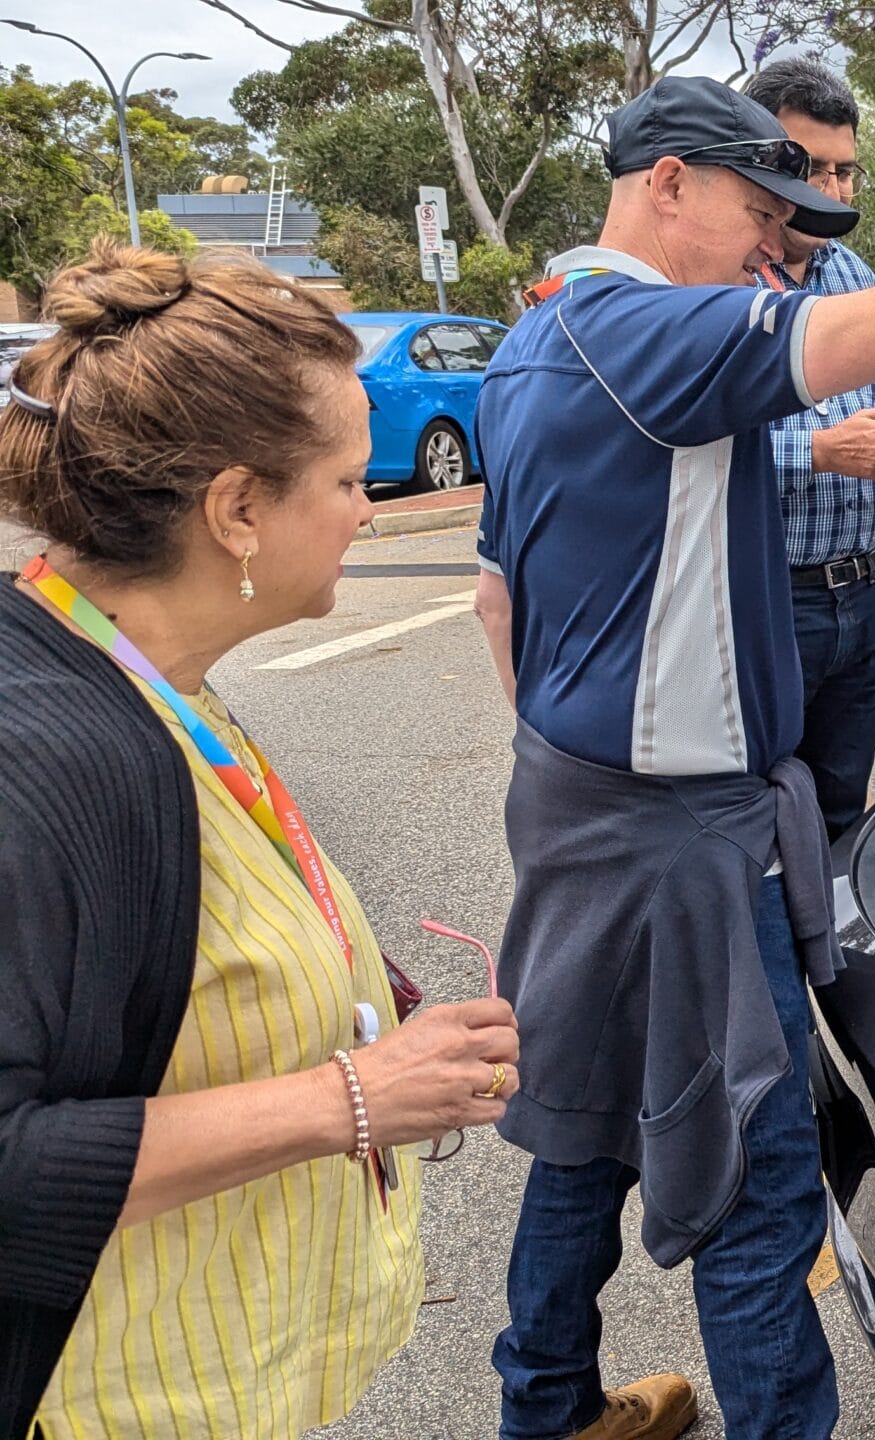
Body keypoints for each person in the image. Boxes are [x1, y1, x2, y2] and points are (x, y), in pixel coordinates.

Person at [467, 5, 875, 1436]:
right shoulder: (652, 323)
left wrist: (588, 752)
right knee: (762, 1179)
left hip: (578, 814)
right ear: (665, 189)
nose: (776, 245)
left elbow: (492, 607)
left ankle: (550, 1404)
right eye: (757, 209)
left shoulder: (534, 341)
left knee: (582, 1131)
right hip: (678, 846)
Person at [0, 241, 522, 1440]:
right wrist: (350, 1093)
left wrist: (380, 1021)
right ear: (236, 508)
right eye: (346, 481)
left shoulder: (140, 673)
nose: (365, 509)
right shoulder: (44, 762)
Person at [742, 55, 875, 842]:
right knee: (760, 824)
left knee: (840, 820)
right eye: (808, 169)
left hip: (863, 593)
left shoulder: (854, 273)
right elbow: (686, 457)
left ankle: (832, 964)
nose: (830, 193)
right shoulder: (718, 287)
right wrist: (821, 452)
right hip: (769, 600)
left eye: (845, 172)